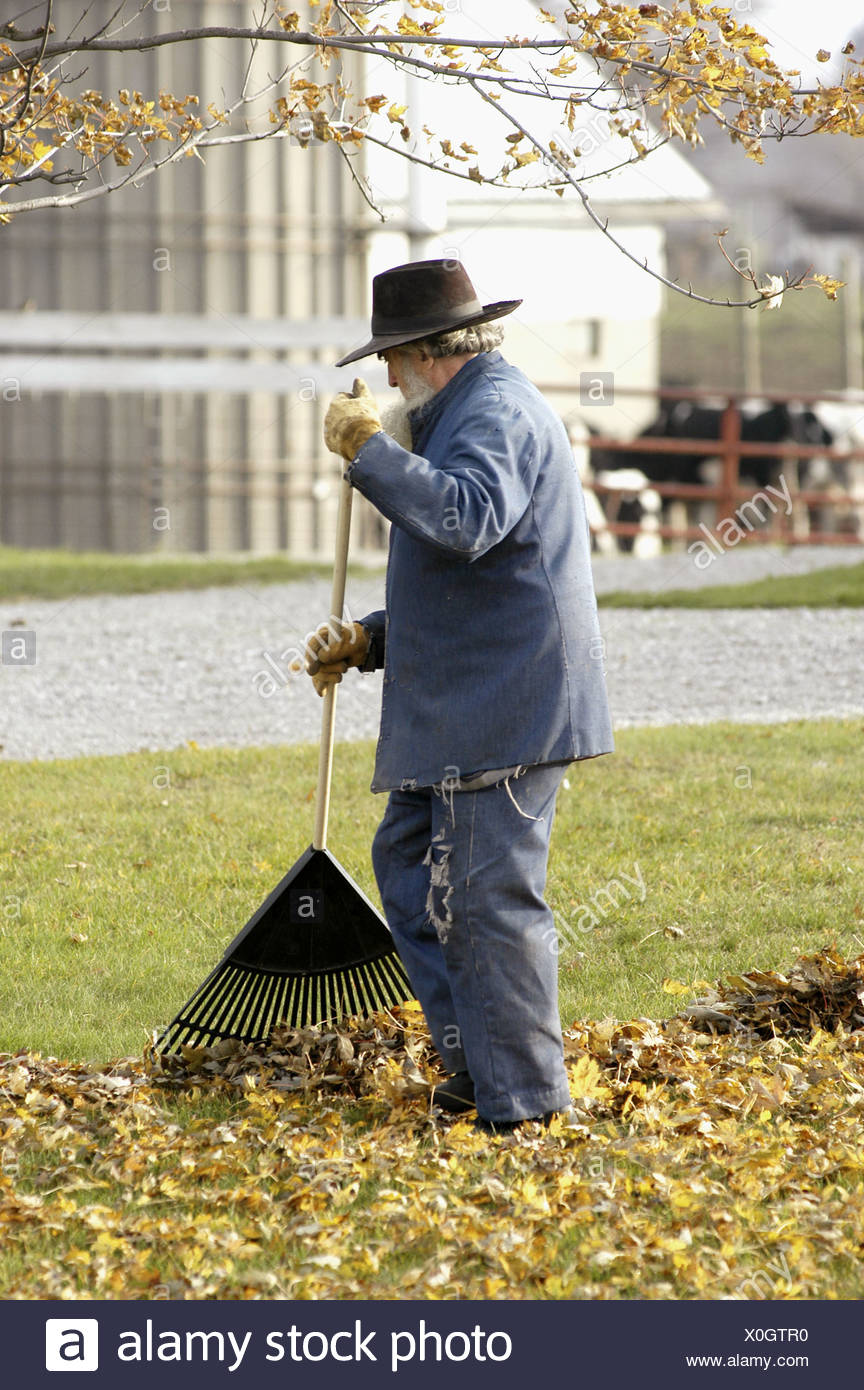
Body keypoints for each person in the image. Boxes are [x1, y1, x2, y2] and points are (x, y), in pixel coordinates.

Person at [306, 258, 613, 1133]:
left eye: (392, 361)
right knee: (409, 871)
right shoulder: (459, 414)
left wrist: (369, 452)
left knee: (485, 903)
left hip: (505, 709)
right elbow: (467, 579)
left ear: (424, 352)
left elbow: (466, 520)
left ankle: (524, 1107)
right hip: (468, 700)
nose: (389, 379)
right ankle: (478, 1068)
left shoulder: (496, 411)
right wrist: (370, 640)